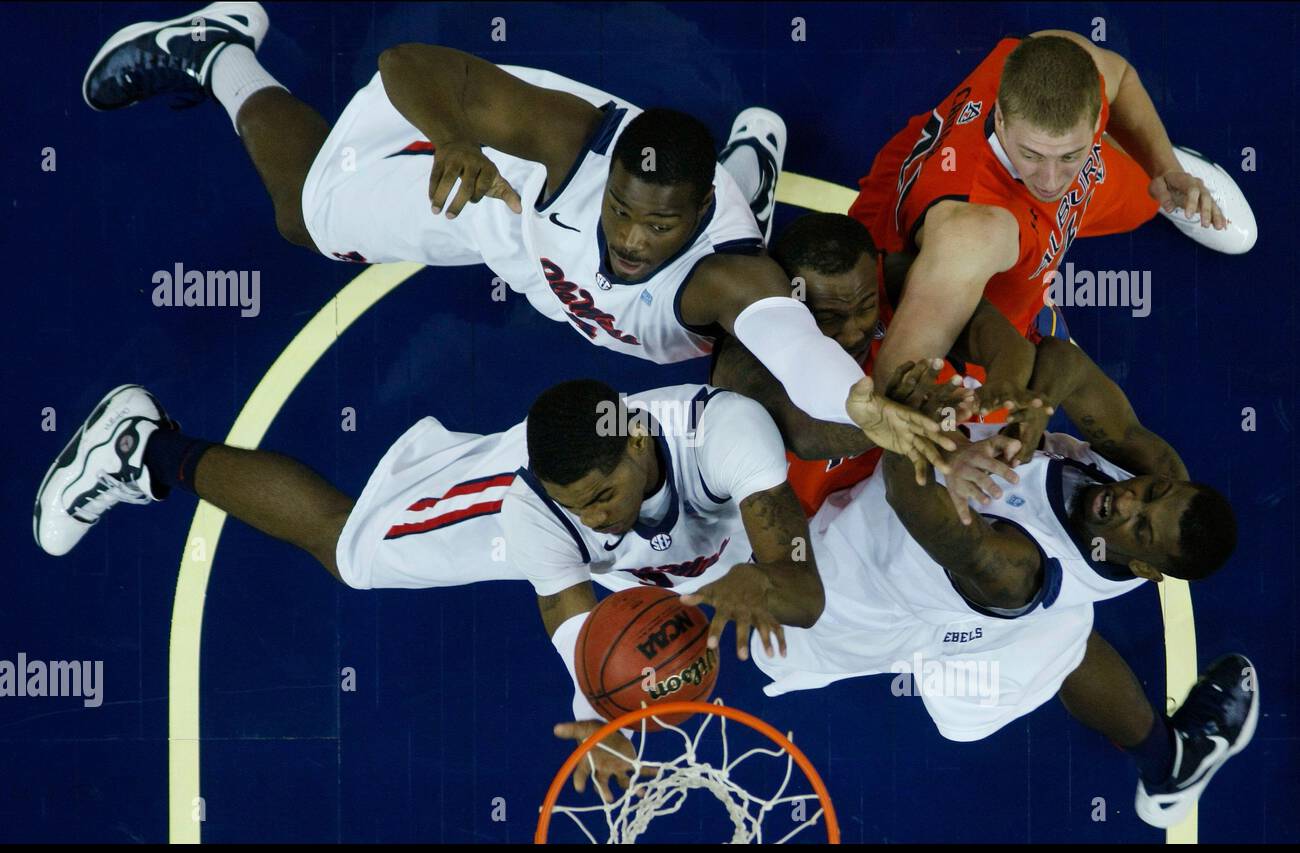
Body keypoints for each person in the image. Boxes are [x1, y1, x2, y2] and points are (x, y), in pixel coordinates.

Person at [81, 1, 950, 471]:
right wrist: (458, 140)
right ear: (610, 181)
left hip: (567, 261)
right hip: (494, 190)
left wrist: (867, 405)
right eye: (624, 210)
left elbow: (789, 343)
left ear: (695, 220)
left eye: (660, 224)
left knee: (739, 341)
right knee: (303, 217)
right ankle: (217, 51)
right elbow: (406, 65)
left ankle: (748, 166)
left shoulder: (722, 277)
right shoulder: (566, 139)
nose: (635, 238)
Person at [34, 377, 823, 792]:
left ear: (639, 451)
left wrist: (762, 573)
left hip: (676, 523)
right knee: (351, 551)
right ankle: (144, 449)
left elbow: (804, 592)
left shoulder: (723, 436)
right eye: (582, 509)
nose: (600, 522)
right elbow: (563, 598)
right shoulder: (542, 504)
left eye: (604, 499)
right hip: (509, 491)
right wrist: (600, 705)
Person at [751, 339, 1252, 828]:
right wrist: (1040, 405)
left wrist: (911, 415)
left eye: (1140, 528)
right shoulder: (1158, 475)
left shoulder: (1019, 574)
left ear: (1145, 567)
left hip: (849, 601)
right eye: (1151, 494)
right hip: (921, 552)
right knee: (1065, 632)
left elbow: (916, 505)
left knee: (741, 563)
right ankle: (1170, 764)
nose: (1126, 501)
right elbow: (1063, 361)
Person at [849, 30, 1258, 387]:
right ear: (1002, 121)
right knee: (997, 399)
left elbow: (1123, 77)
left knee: (1147, 197)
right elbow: (898, 373)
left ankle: (1170, 173)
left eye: (1069, 155)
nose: (1050, 182)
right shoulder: (969, 233)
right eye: (1032, 154)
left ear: (1098, 114)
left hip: (1007, 203)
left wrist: (1165, 168)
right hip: (957, 241)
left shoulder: (1055, 56)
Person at [712, 212, 1049, 517]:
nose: (855, 330)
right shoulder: (744, 349)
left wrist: (1007, 385)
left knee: (1057, 361)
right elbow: (807, 435)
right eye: (829, 317)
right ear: (787, 298)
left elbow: (998, 339)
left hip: (912, 483)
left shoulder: (893, 279)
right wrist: (922, 424)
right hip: (816, 528)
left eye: (866, 307)